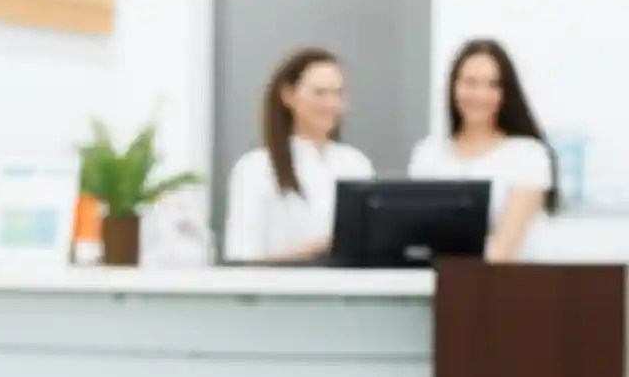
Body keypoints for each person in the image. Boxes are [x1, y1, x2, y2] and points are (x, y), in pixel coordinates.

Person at [409, 38, 558, 262]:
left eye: (493, 85)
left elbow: (503, 249)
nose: (480, 94)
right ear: (453, 86)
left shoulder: (528, 155)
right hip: (443, 286)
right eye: (470, 82)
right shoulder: (428, 154)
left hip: (507, 285)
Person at [225, 48, 375, 262]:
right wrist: (313, 251)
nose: (332, 104)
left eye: (338, 93)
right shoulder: (255, 168)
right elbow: (241, 256)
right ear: (288, 95)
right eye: (320, 93)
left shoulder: (356, 164)